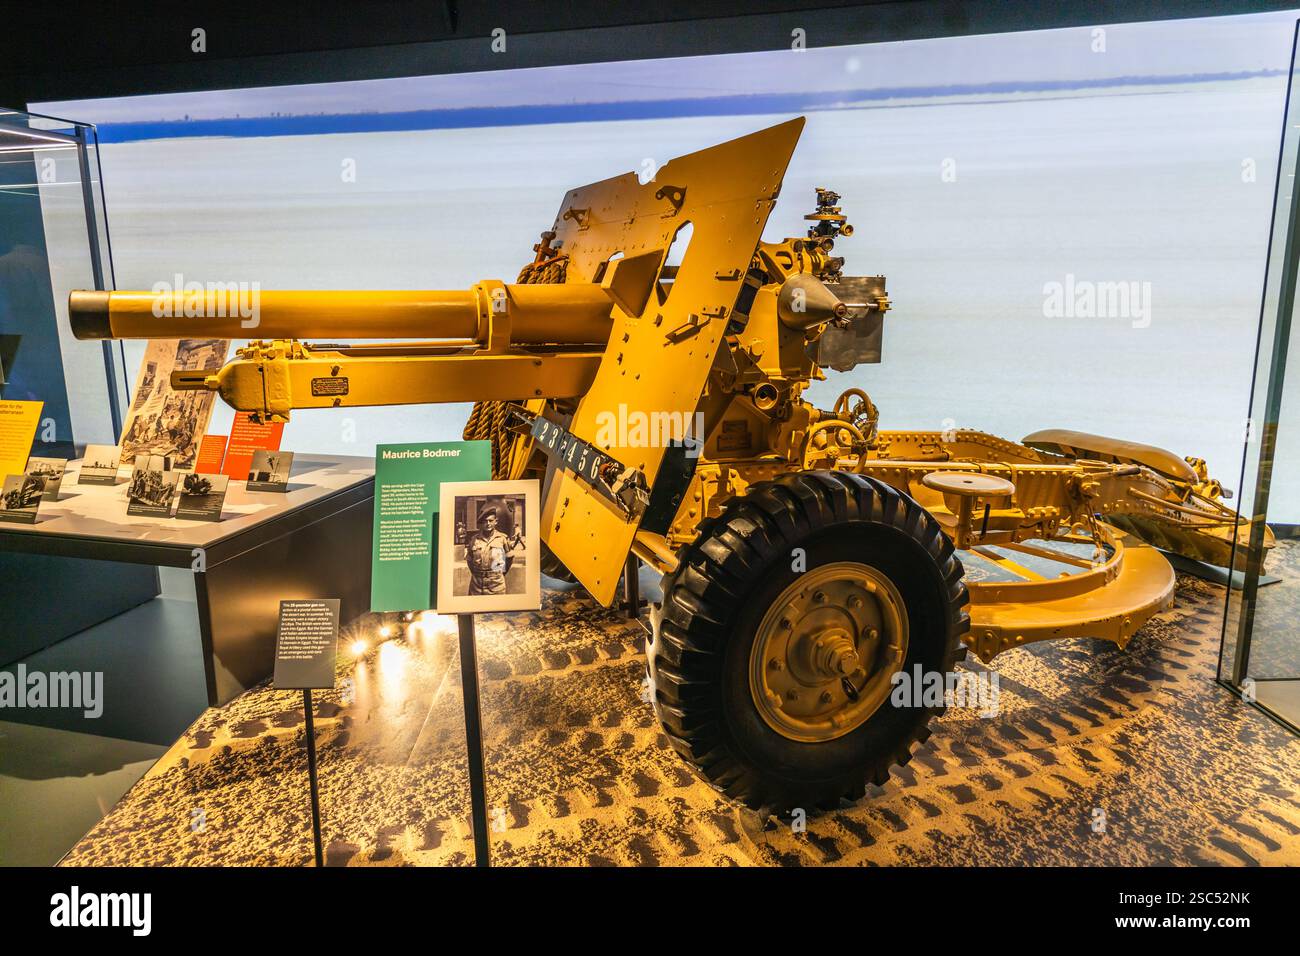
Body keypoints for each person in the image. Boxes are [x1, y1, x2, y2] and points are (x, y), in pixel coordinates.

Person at [464, 503, 523, 595]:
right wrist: (478, 574)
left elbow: (509, 559)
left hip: (496, 585)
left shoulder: (502, 539)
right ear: (481, 523)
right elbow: (469, 560)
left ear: (496, 521)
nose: (488, 524)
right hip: (476, 585)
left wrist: (498, 574)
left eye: (490, 521)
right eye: (485, 521)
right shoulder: (474, 540)